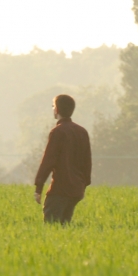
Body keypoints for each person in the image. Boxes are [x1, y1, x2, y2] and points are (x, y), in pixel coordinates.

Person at [33, 93, 92, 224]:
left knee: (51, 226)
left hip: (60, 189)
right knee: (64, 226)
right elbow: (87, 161)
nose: (53, 109)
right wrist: (83, 183)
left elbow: (48, 161)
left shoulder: (58, 132)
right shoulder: (82, 132)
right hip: (76, 190)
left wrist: (39, 186)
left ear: (57, 110)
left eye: (53, 106)